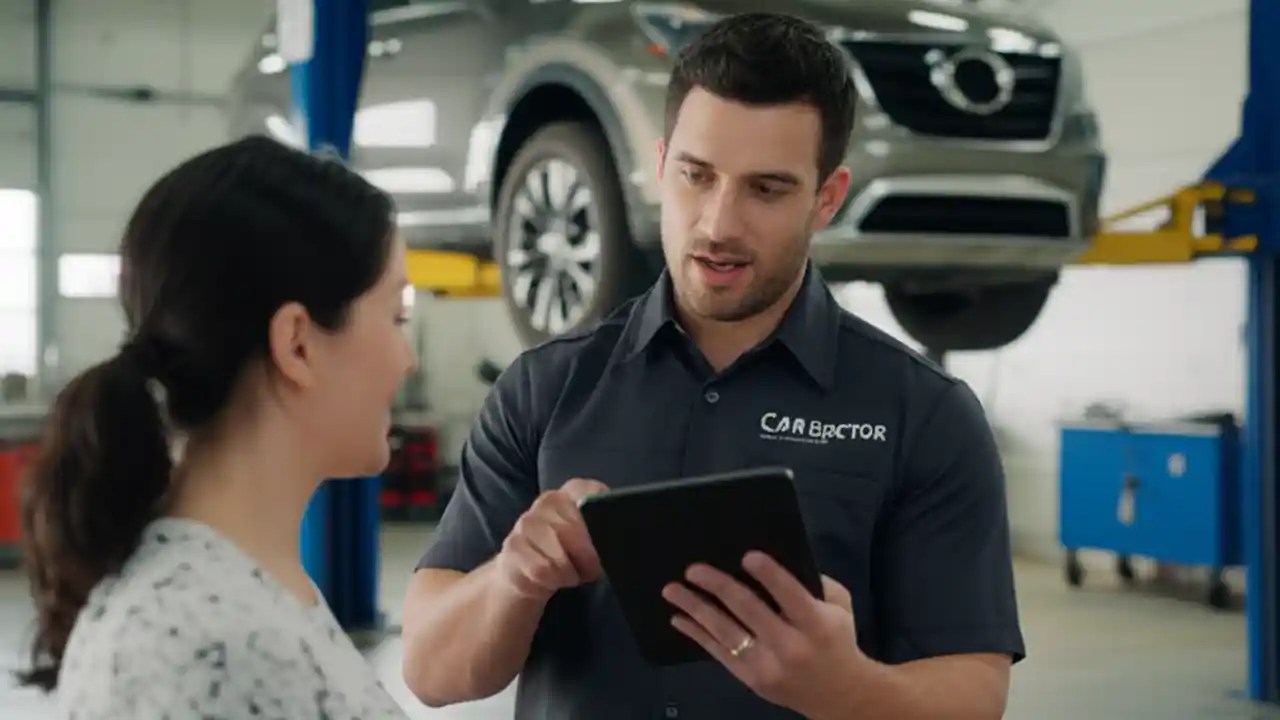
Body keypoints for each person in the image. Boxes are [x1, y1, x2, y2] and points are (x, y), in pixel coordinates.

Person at [402, 12, 1024, 720]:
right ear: (662, 164)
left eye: (766, 189)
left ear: (827, 197)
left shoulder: (924, 415)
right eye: (698, 176)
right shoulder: (544, 390)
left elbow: (974, 694)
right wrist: (514, 577)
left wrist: (845, 690)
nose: (719, 223)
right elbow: (428, 669)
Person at [17, 136, 416, 718]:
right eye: (396, 316)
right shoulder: (200, 640)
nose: (409, 359)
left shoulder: (246, 591)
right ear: (298, 344)